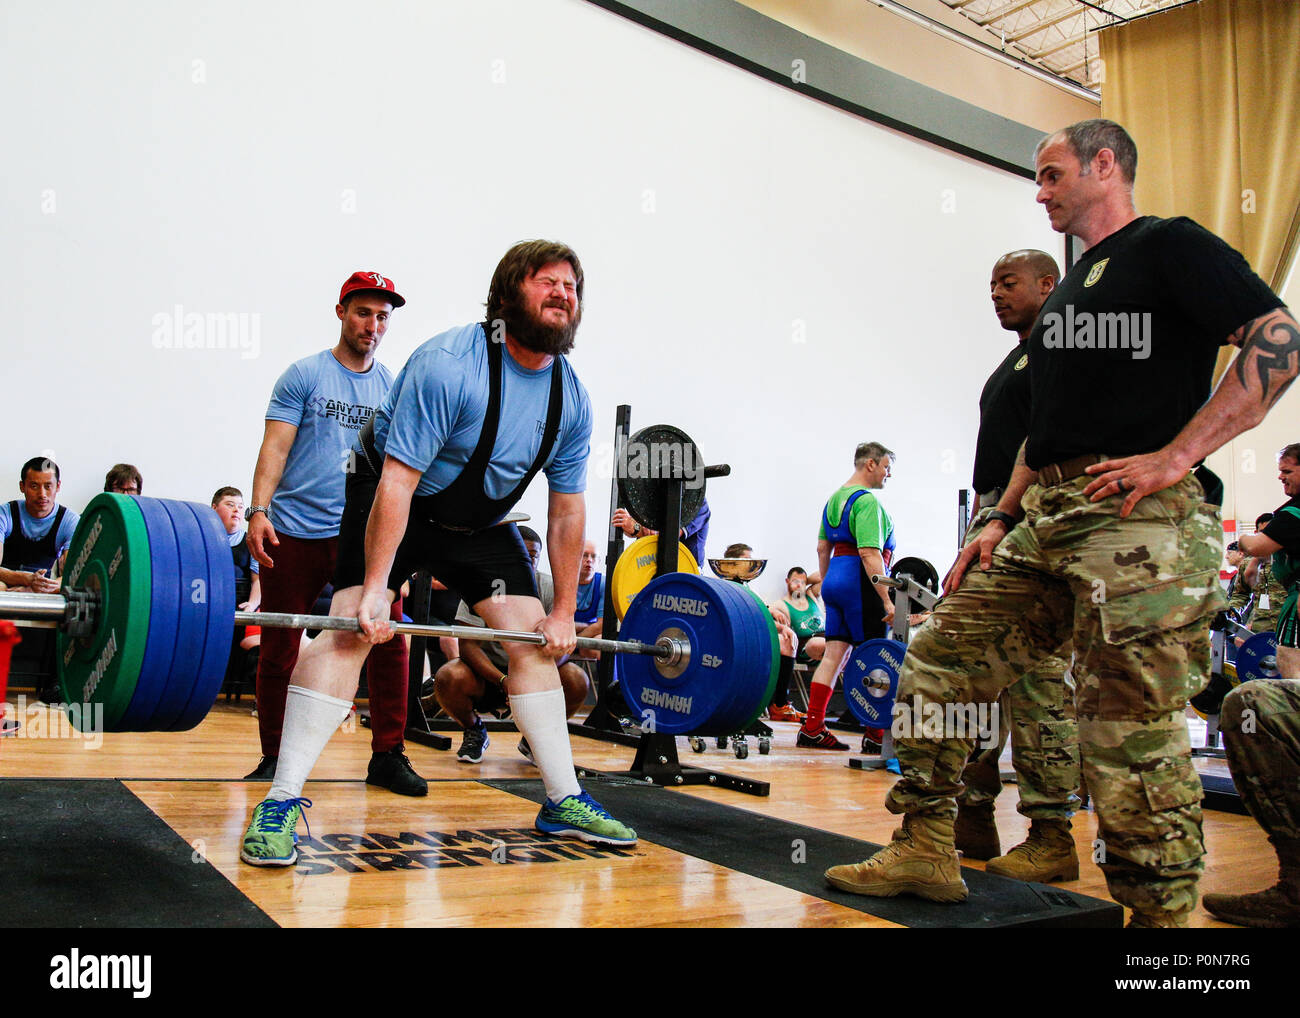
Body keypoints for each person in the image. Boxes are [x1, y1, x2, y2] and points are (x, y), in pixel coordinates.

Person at [824, 118, 1299, 928]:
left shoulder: (1166, 245)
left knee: (1127, 725)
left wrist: (1179, 454)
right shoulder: (1074, 292)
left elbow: (1278, 339)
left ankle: (1163, 929)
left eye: (1051, 175)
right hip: (1043, 516)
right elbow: (1040, 430)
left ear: (1104, 164)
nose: (1038, 192)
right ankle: (927, 846)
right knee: (940, 660)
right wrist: (999, 519)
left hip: (1135, 519)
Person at [239, 240, 637, 867]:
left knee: (533, 636)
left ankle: (562, 799)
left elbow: (565, 510)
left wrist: (563, 611)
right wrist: (375, 588)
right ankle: (281, 798)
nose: (564, 293)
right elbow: (397, 481)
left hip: (476, 521)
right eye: (548, 281)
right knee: (350, 627)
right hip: (395, 495)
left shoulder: (571, 398)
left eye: (573, 287)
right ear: (508, 295)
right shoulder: (450, 363)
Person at [243, 271, 422, 796]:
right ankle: (275, 756)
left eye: (382, 317)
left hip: (365, 539)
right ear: (342, 312)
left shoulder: (393, 387)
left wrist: (400, 553)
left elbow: (404, 468)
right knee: (279, 646)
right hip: (295, 531)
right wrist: (258, 511)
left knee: (388, 643)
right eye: (364, 312)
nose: (373, 325)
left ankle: (388, 754)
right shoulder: (304, 375)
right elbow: (274, 448)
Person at [951, 249, 1082, 883]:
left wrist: (1008, 518)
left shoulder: (1063, 350)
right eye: (992, 284)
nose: (997, 293)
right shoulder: (1020, 356)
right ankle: (972, 811)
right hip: (994, 519)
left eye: (1009, 282)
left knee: (1033, 676)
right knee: (975, 672)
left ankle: (1052, 832)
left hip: (1032, 519)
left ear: (1047, 285)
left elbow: (1050, 448)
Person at [1204, 445, 1300, 926]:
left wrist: (1242, 541)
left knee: (1251, 705)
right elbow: (1245, 572)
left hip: (1290, 628)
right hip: (1277, 628)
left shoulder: (1296, 512)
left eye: (1288, 470)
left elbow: (1251, 549)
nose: (1281, 478)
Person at [437, 526, 589, 763]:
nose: (525, 562)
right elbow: (468, 645)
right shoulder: (481, 581)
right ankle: (474, 729)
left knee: (577, 680)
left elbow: (564, 646)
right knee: (449, 676)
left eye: (532, 556)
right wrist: (504, 680)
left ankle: (533, 739)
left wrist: (529, 677)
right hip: (489, 677)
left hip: (536, 675)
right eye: (519, 554)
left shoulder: (549, 587)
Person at [799, 442, 895, 749]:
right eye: (886, 467)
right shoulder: (868, 503)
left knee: (832, 656)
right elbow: (869, 554)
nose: (887, 474)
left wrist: (828, 585)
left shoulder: (833, 500)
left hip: (836, 580)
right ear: (870, 464)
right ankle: (875, 736)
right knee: (875, 658)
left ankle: (812, 728)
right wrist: (887, 599)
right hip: (859, 583)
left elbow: (821, 548)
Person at [0, 457, 80, 593]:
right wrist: (26, 579)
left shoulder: (70, 521)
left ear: (58, 486)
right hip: (6, 585)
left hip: (42, 590)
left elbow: (72, 575)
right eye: (34, 486)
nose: (42, 494)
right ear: (22, 486)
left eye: (48, 486)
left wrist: (45, 587)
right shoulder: (5, 514)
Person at [1228, 512, 1287, 641]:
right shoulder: (1247, 564)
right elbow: (1240, 594)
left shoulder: (1287, 561)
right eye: (1263, 533)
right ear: (1256, 533)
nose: (1267, 537)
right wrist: (1233, 613)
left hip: (1286, 627)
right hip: (1258, 630)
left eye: (1271, 532)